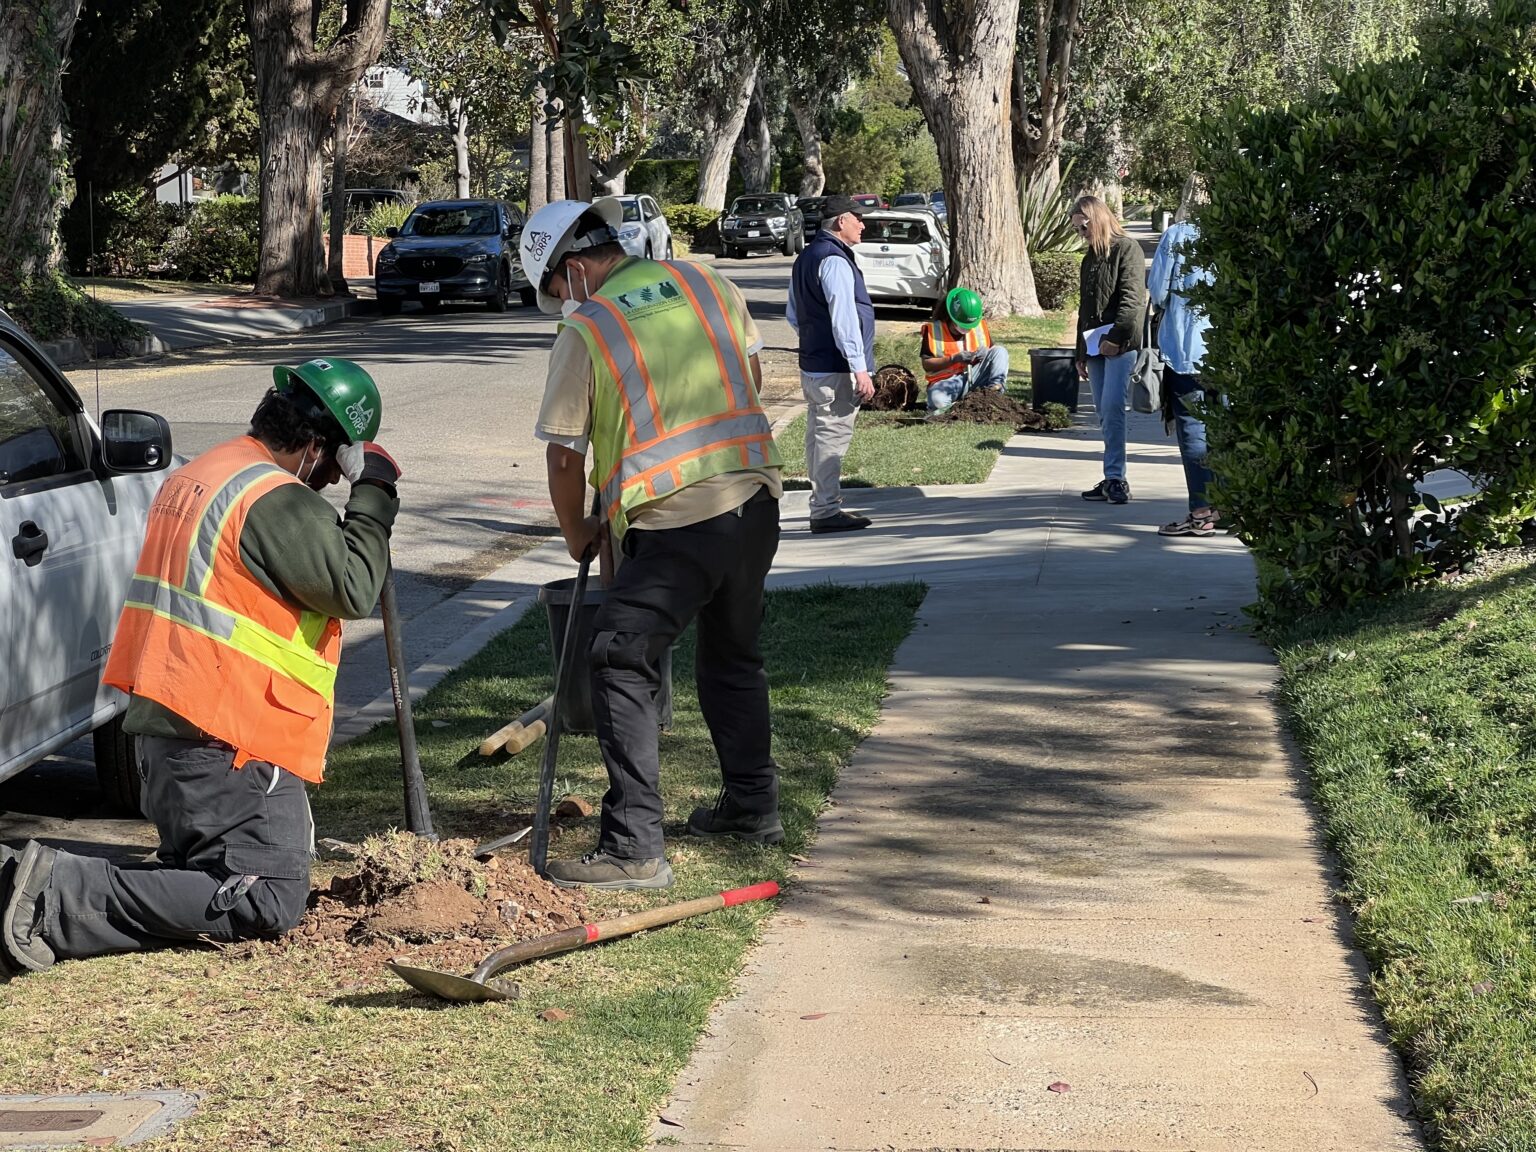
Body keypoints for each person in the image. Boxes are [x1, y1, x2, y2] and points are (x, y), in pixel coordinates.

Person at [0, 360, 401, 979]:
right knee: (268, 896)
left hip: (173, 736)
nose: (326, 485)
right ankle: (55, 895)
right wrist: (373, 491)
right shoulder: (274, 498)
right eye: (331, 469)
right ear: (319, 447)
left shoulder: (204, 473)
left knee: (212, 881)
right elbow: (353, 585)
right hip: (229, 738)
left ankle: (54, 890)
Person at [520, 198, 785, 891]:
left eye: (554, 292)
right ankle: (752, 807)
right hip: (754, 503)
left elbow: (561, 458)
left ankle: (634, 844)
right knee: (733, 657)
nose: (559, 304)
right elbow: (752, 380)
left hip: (678, 521)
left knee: (616, 658)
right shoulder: (705, 282)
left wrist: (579, 532)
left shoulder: (590, 327)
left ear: (574, 270)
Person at [786, 194, 875, 534]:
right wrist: (859, 368)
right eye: (858, 219)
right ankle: (824, 511)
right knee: (831, 438)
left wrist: (814, 338)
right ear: (841, 222)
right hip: (835, 367)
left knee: (818, 435)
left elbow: (794, 314)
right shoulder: (834, 260)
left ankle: (822, 504)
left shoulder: (806, 257)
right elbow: (844, 320)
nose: (862, 225)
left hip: (814, 364)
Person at [1149, 175, 1217, 536]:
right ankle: (1227, 506)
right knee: (1226, 429)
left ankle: (1201, 512)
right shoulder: (1235, 234)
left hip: (1186, 350)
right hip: (1230, 353)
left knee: (1193, 429)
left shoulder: (1177, 235)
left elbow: (1157, 291)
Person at [1072, 195, 1147, 505]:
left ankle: (1116, 478)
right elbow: (1085, 308)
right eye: (1076, 229)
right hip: (1094, 345)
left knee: (1113, 407)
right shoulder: (1090, 258)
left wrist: (1116, 338)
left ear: (1098, 218)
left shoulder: (1127, 249)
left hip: (1120, 343)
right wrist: (1080, 352)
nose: (1081, 233)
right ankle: (1111, 475)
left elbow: (1133, 300)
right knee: (1104, 411)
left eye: (1084, 226)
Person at [921, 287, 1009, 415]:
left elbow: (995, 353)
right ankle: (957, 407)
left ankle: (994, 394)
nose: (967, 329)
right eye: (963, 325)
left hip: (976, 377)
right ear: (952, 316)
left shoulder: (979, 326)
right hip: (947, 383)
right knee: (937, 400)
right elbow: (927, 364)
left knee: (1001, 351)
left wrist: (985, 352)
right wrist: (953, 359)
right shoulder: (934, 331)